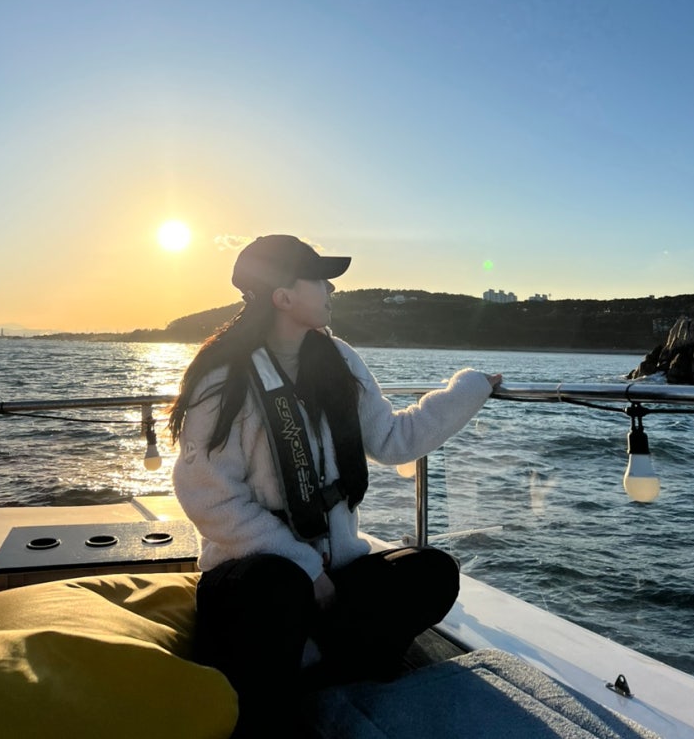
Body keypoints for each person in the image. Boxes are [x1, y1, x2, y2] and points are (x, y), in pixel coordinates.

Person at [169, 235, 502, 738]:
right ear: (282, 296)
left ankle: (308, 661)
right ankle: (293, 685)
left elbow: (393, 439)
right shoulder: (222, 378)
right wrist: (306, 570)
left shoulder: (338, 359)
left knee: (433, 572)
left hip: (334, 575)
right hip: (254, 581)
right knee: (275, 588)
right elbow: (208, 498)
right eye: (319, 279)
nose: (330, 288)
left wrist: (471, 389)